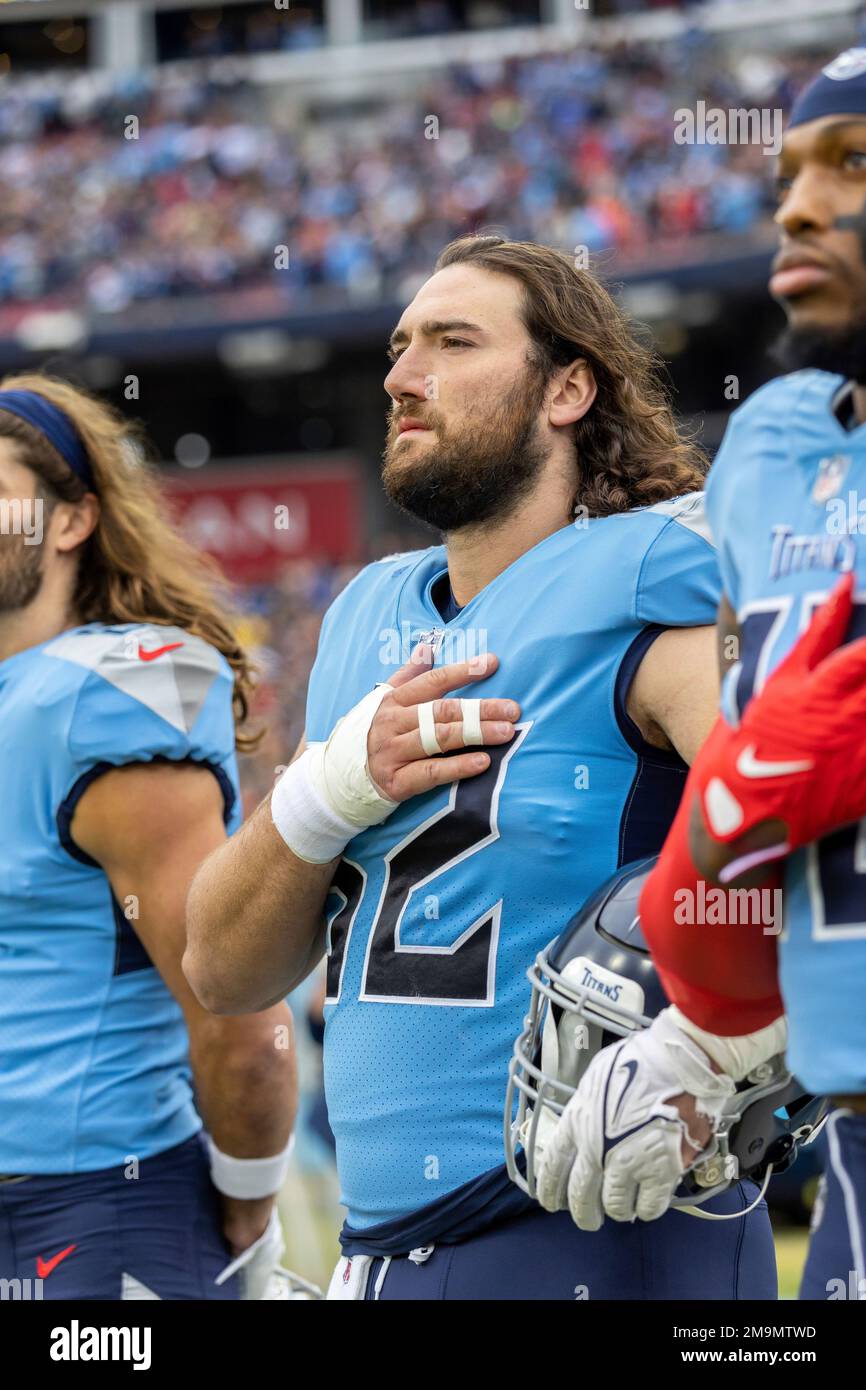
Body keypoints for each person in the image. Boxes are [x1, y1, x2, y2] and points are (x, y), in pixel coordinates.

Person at [185, 236, 775, 1299]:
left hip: (596, 1226)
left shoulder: (642, 570)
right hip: (379, 1248)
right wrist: (327, 794)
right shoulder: (369, 610)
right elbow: (222, 967)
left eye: (452, 342)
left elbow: (816, 821)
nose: (402, 376)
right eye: (401, 346)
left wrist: (708, 1036)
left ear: (566, 388)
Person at [532, 50, 866, 1304]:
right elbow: (755, 764)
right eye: (787, 172)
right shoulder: (773, 450)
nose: (795, 205)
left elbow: (772, 769)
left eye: (853, 165)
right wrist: (711, 1022)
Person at [0, 374, 297, 1300]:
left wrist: (247, 1197)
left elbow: (237, 1008)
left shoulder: (109, 691)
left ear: (72, 521)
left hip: (92, 1208)